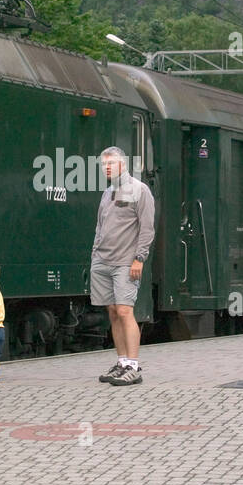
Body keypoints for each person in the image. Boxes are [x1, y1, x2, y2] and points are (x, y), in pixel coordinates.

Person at [91, 146, 155, 386]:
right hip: (103, 261)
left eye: (112, 164)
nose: (107, 168)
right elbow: (100, 226)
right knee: (113, 312)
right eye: (104, 165)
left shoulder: (140, 190)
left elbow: (147, 228)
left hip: (125, 263)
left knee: (126, 311)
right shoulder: (107, 192)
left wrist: (139, 258)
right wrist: (95, 255)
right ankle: (121, 362)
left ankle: (133, 367)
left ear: (124, 165)